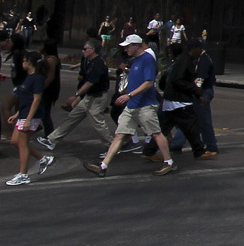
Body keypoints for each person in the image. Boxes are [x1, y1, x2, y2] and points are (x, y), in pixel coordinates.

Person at [85, 34, 174, 176]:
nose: (125, 49)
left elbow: (149, 83)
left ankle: (169, 162)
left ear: (136, 46)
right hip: (132, 105)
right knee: (119, 135)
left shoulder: (147, 60)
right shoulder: (135, 61)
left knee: (156, 133)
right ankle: (103, 166)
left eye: (128, 46)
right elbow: (135, 81)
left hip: (145, 105)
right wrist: (125, 94)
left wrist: (129, 95)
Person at [39, 39, 114, 152]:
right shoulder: (87, 60)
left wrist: (77, 95)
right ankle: (52, 140)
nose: (82, 51)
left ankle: (111, 147)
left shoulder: (98, 63)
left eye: (85, 49)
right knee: (72, 118)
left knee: (98, 124)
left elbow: (90, 82)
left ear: (92, 50)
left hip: (97, 98)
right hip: (88, 96)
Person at [4, 49, 55, 186]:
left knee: (23, 143)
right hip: (24, 113)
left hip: (31, 115)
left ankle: (23, 175)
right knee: (15, 141)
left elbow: (36, 100)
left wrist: (28, 119)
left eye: (24, 61)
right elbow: (26, 99)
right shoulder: (29, 77)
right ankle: (43, 159)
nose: (22, 63)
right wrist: (17, 114)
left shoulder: (37, 78)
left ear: (30, 62)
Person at [157, 39, 210, 158]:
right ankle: (199, 151)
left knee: (165, 127)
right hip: (179, 100)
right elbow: (179, 80)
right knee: (191, 125)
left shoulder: (183, 61)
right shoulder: (185, 61)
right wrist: (196, 90)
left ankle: (149, 151)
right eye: (200, 49)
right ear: (194, 49)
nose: (201, 51)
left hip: (172, 100)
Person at [190, 38, 219, 157]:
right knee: (190, 119)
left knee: (204, 119)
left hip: (204, 91)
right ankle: (177, 142)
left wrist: (197, 93)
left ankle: (211, 146)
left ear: (198, 49)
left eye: (192, 49)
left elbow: (200, 80)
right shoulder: (199, 59)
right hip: (201, 91)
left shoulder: (204, 60)